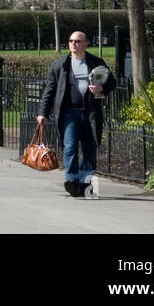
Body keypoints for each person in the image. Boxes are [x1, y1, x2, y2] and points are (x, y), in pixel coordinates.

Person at [38, 31, 115, 197]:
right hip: (69, 113)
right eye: (71, 41)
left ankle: (84, 183)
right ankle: (71, 180)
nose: (74, 44)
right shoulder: (60, 65)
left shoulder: (96, 62)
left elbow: (112, 82)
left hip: (91, 113)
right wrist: (42, 113)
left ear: (86, 43)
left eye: (78, 41)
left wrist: (101, 88)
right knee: (70, 146)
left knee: (89, 149)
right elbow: (49, 90)